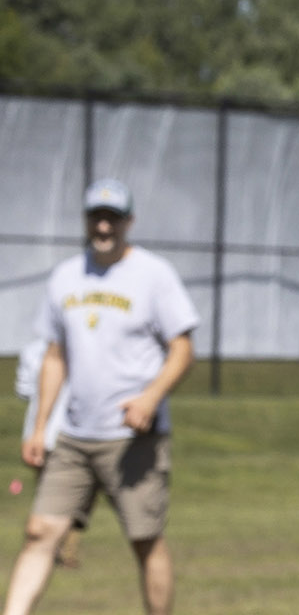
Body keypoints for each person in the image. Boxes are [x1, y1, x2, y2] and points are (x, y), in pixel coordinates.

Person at [4, 179, 199, 615]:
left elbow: (183, 349)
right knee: (40, 532)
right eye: (97, 217)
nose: (104, 226)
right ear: (86, 219)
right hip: (74, 436)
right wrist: (39, 428)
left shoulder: (153, 275)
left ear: (129, 222)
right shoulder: (66, 276)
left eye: (113, 218)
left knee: (145, 540)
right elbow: (55, 357)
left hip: (132, 439)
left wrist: (150, 398)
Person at [11, 339, 87, 572]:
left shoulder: (32, 350)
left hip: (40, 434)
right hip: (70, 432)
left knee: (47, 494)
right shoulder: (82, 345)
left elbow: (24, 390)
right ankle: (63, 551)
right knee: (73, 498)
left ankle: (54, 549)